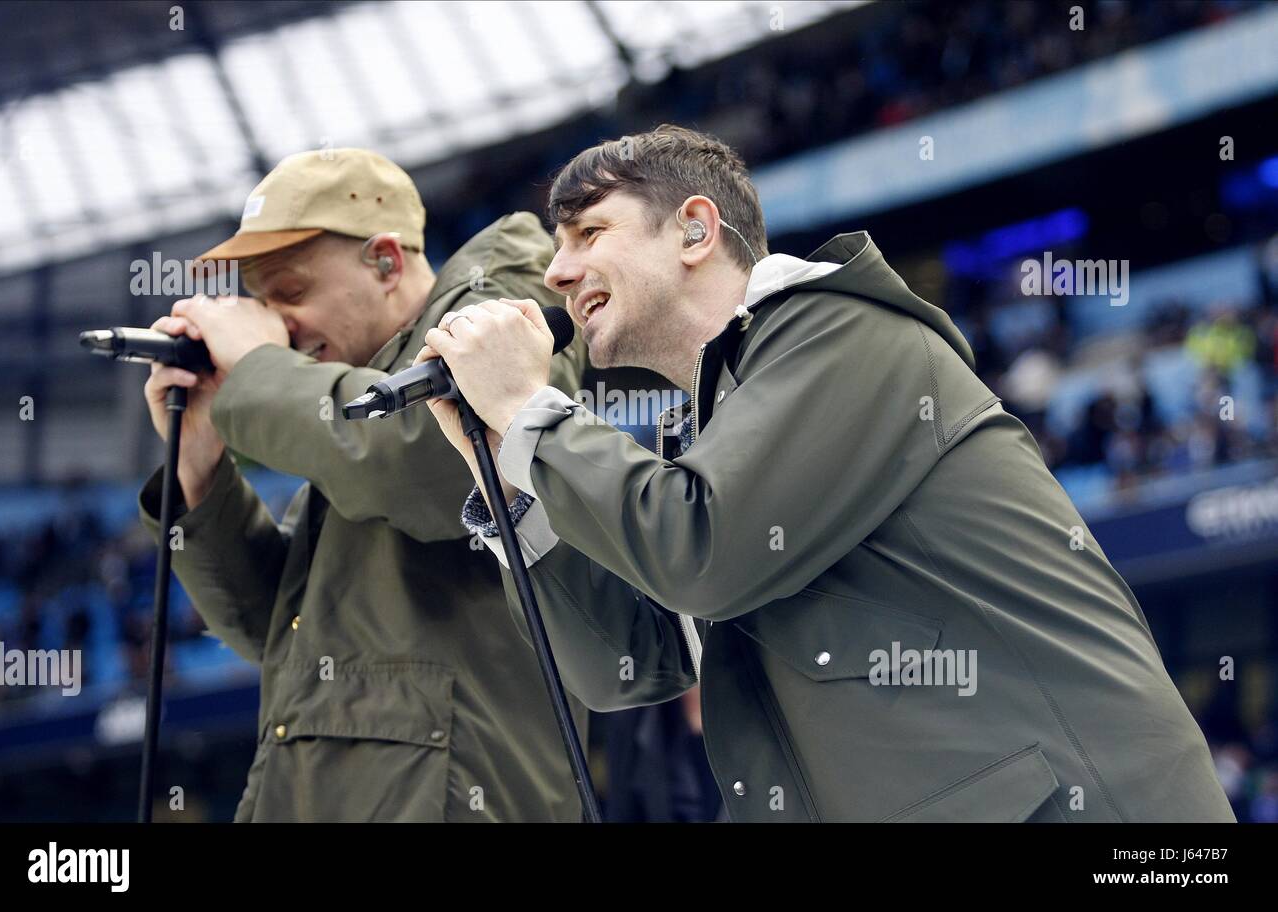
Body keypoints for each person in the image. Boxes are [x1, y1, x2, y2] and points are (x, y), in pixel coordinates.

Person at [417, 125, 1234, 822]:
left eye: (587, 234)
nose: (556, 273)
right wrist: (510, 479)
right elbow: (626, 663)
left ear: (696, 231)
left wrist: (532, 409)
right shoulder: (706, 432)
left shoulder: (842, 329)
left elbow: (701, 547)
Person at [138, 148, 588, 822]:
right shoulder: (356, 405)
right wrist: (198, 474)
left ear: (385, 261)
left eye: (289, 292)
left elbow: (435, 474)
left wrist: (258, 369)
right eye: (260, 303)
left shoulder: (504, 295)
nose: (276, 324)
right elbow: (275, 633)